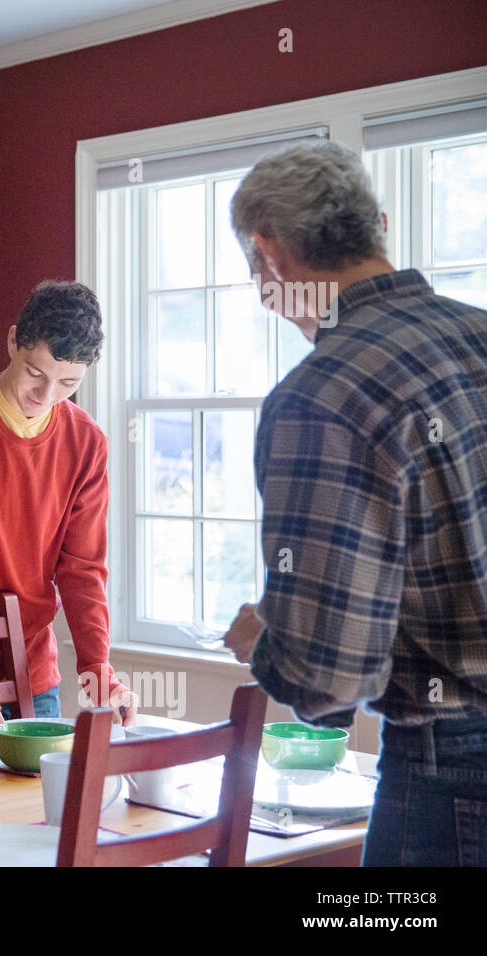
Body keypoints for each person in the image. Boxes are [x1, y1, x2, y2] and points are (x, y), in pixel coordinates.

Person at [219, 140, 487, 866]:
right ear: (379, 226)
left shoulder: (323, 397)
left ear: (271, 255)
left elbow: (329, 681)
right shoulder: (480, 336)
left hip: (451, 773)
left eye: (257, 275)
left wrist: (265, 642)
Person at [0, 281, 137, 741]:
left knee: (39, 807)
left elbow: (83, 571)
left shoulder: (87, 442)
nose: (46, 394)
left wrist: (98, 673)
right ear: (13, 340)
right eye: (35, 371)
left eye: (68, 383)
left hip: (35, 669)